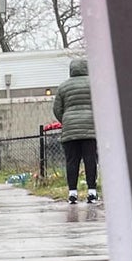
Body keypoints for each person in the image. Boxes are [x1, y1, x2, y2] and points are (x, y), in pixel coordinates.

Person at [53, 58, 99, 204]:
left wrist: (66, 120)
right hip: (90, 129)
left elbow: (57, 109)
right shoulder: (93, 83)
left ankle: (72, 193)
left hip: (70, 131)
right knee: (90, 160)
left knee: (72, 161)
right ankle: (92, 191)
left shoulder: (63, 87)